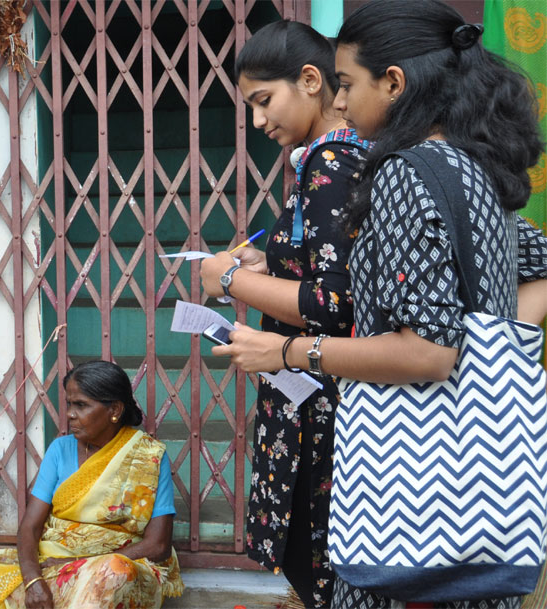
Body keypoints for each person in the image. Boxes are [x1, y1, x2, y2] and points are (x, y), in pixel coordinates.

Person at [216, 1, 547, 607]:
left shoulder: (403, 173)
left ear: (393, 83)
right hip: (481, 497)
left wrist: (287, 352)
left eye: (346, 85)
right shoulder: (472, 163)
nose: (339, 103)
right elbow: (537, 268)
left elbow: (428, 353)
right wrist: (490, 341)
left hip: (409, 501)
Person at [198, 20, 368, 609]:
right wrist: (268, 258)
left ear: (312, 81)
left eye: (264, 100)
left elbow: (334, 302)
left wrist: (230, 280)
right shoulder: (330, 159)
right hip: (314, 391)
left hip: (322, 404)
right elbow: (326, 263)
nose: (257, 120)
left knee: (324, 572)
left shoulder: (331, 165)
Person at [0, 361, 182, 609]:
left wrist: (78, 564)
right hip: (55, 560)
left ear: (115, 410)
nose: (70, 414)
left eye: (81, 405)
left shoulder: (149, 457)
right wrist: (33, 582)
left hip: (115, 567)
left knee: (110, 573)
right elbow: (30, 527)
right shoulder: (60, 449)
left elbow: (158, 545)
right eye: (69, 404)